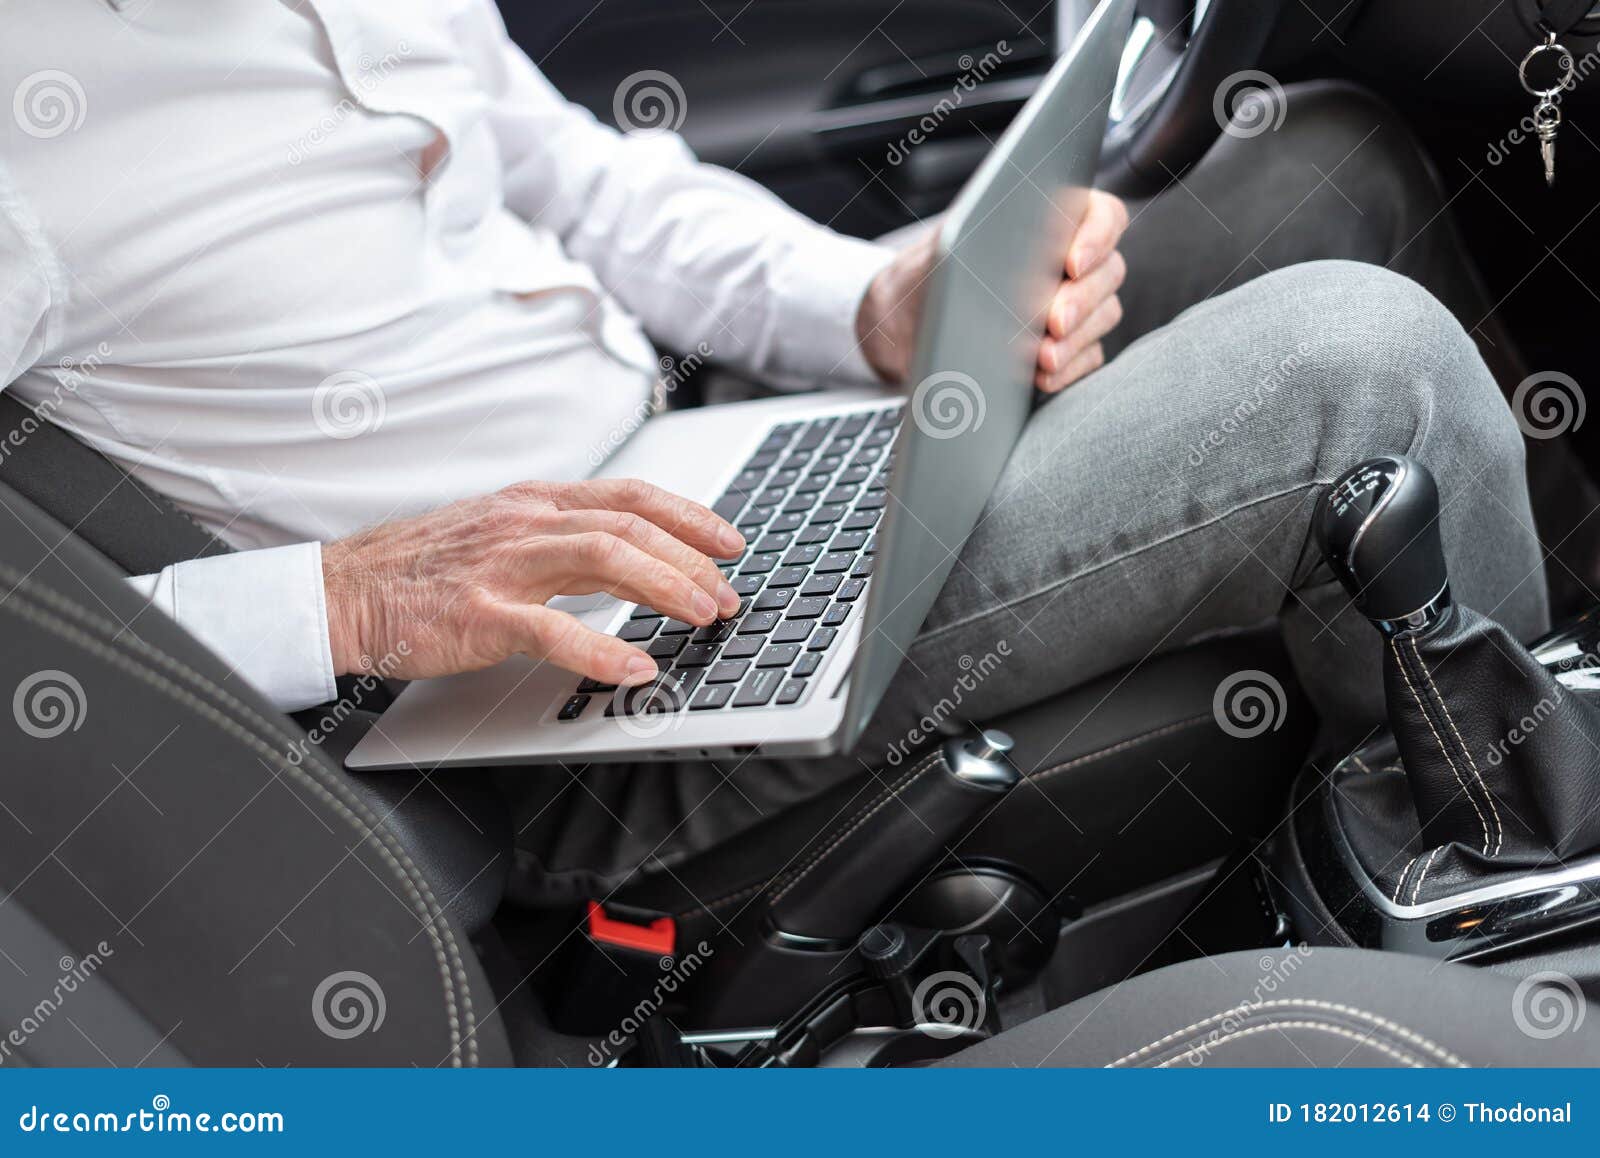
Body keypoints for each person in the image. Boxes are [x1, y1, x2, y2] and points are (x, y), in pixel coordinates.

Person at [0, 5, 1545, 907]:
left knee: (1330, 163)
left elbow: (583, 184)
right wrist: (340, 602)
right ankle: (1533, 883)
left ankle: (1560, 689)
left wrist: (870, 308)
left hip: (704, 452)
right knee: (1364, 372)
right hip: (543, 705)